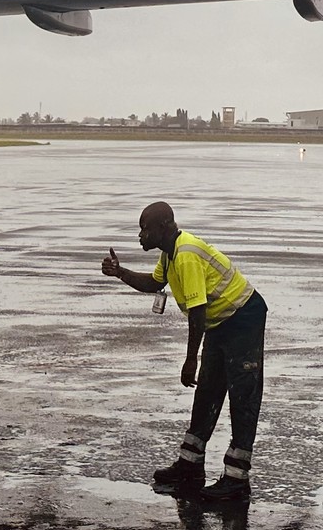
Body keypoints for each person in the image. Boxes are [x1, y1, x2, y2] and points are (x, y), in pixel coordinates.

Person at [101, 201, 268, 503]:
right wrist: (119, 272)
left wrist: (191, 359)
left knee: (242, 394)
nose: (140, 235)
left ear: (164, 227)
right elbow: (153, 283)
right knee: (207, 391)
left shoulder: (187, 254)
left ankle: (236, 481)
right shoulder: (170, 253)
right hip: (222, 322)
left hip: (243, 317)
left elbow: (198, 311)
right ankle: (190, 466)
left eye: (145, 229)